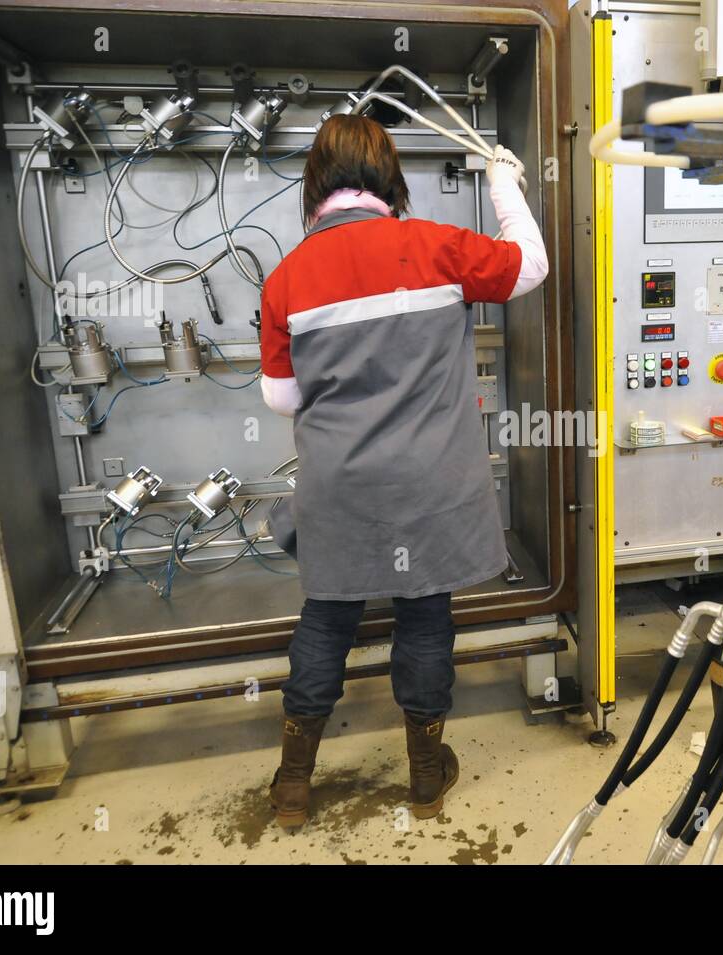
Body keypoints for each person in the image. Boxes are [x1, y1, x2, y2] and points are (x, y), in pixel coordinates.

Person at [258, 113, 548, 829]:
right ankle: (424, 778)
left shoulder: (287, 278)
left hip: (339, 489)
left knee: (326, 621)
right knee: (425, 616)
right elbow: (530, 267)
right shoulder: (437, 246)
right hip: (431, 486)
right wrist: (503, 186)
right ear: (389, 176)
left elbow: (280, 397)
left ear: (316, 183)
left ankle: (294, 784)